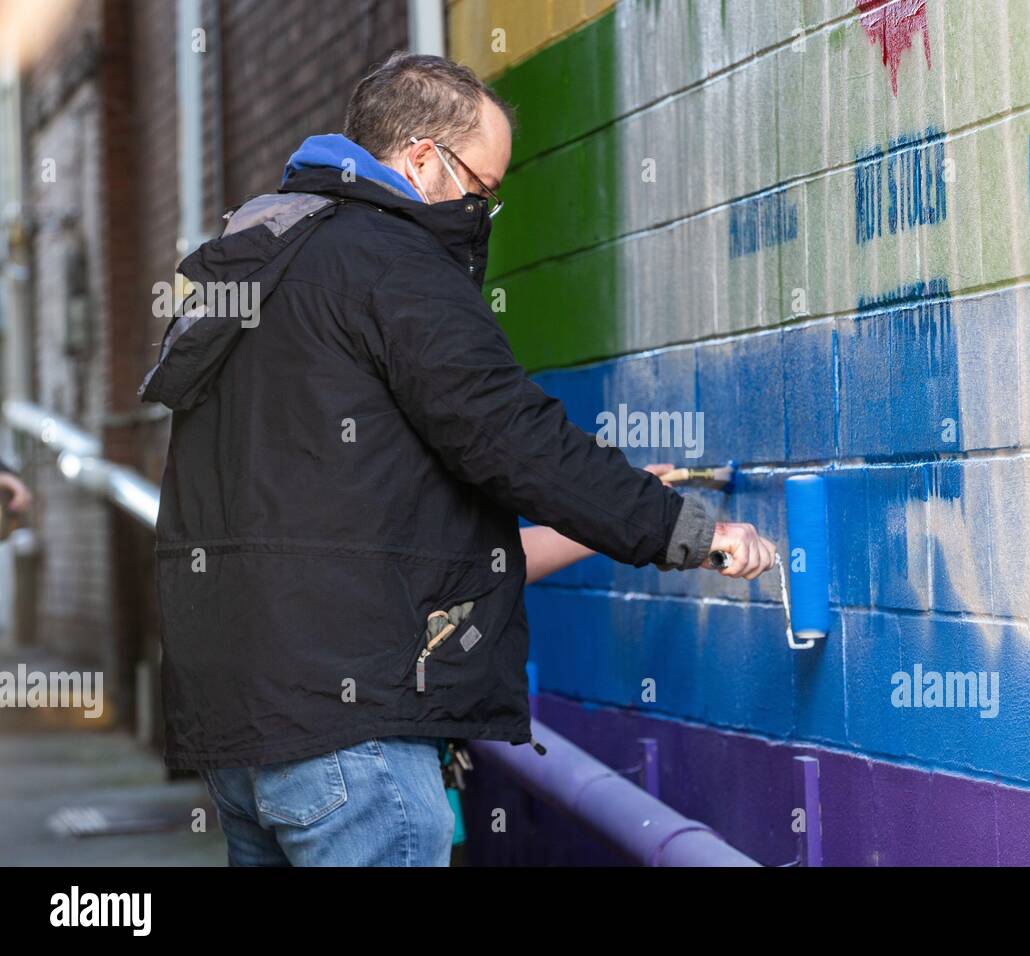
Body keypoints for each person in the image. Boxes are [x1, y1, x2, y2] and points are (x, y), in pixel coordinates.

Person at [139, 52, 775, 866]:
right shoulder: (393, 264)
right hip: (354, 740)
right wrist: (689, 532)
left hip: (246, 730)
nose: (486, 210)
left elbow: (385, 531)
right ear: (420, 159)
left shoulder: (266, 258)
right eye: (482, 188)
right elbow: (513, 436)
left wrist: (608, 513)